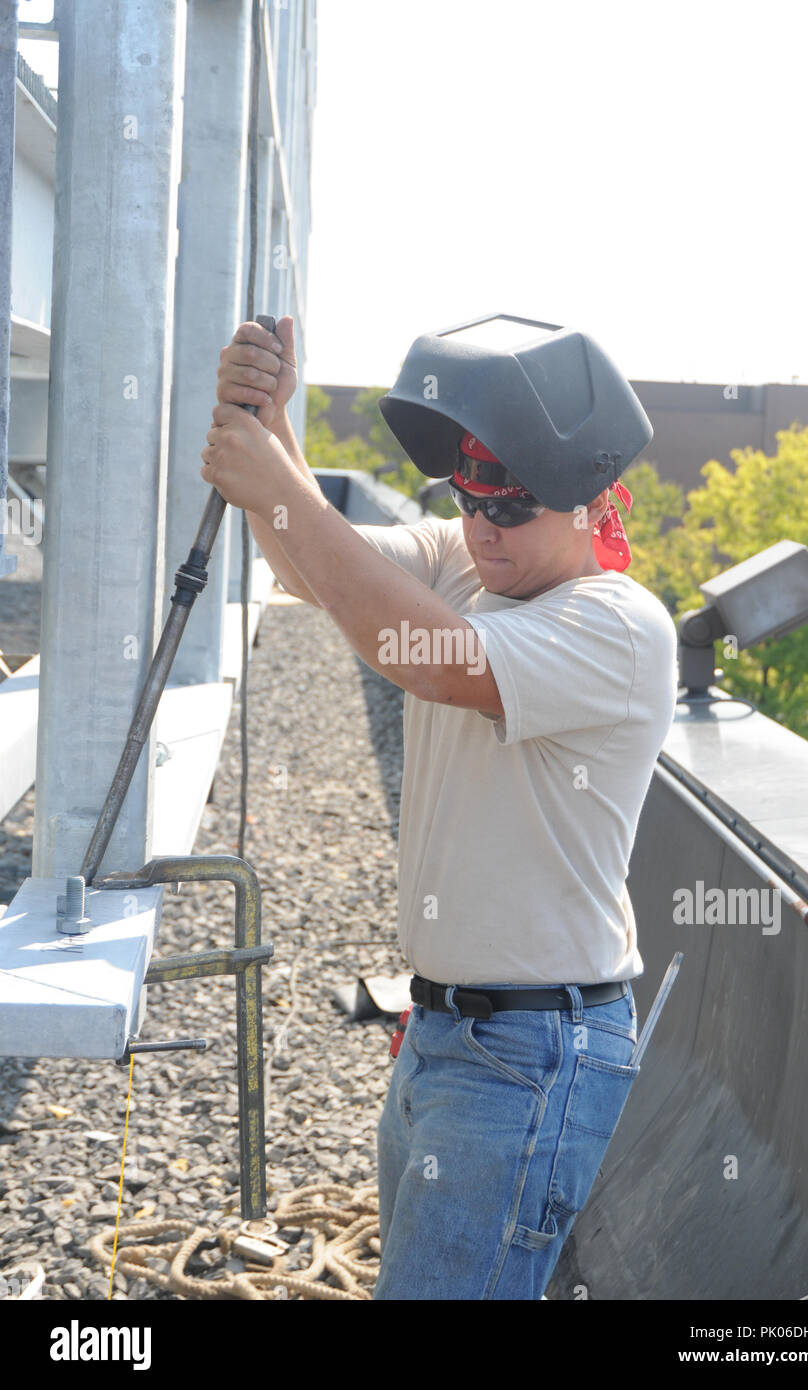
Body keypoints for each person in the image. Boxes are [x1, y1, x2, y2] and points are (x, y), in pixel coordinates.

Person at [201, 316, 679, 1301]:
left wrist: (270, 478)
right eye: (469, 497)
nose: (485, 525)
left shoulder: (617, 625)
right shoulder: (464, 559)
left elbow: (425, 656)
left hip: (531, 1055)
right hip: (446, 1033)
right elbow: (314, 564)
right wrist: (275, 428)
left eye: (512, 503)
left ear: (592, 504)